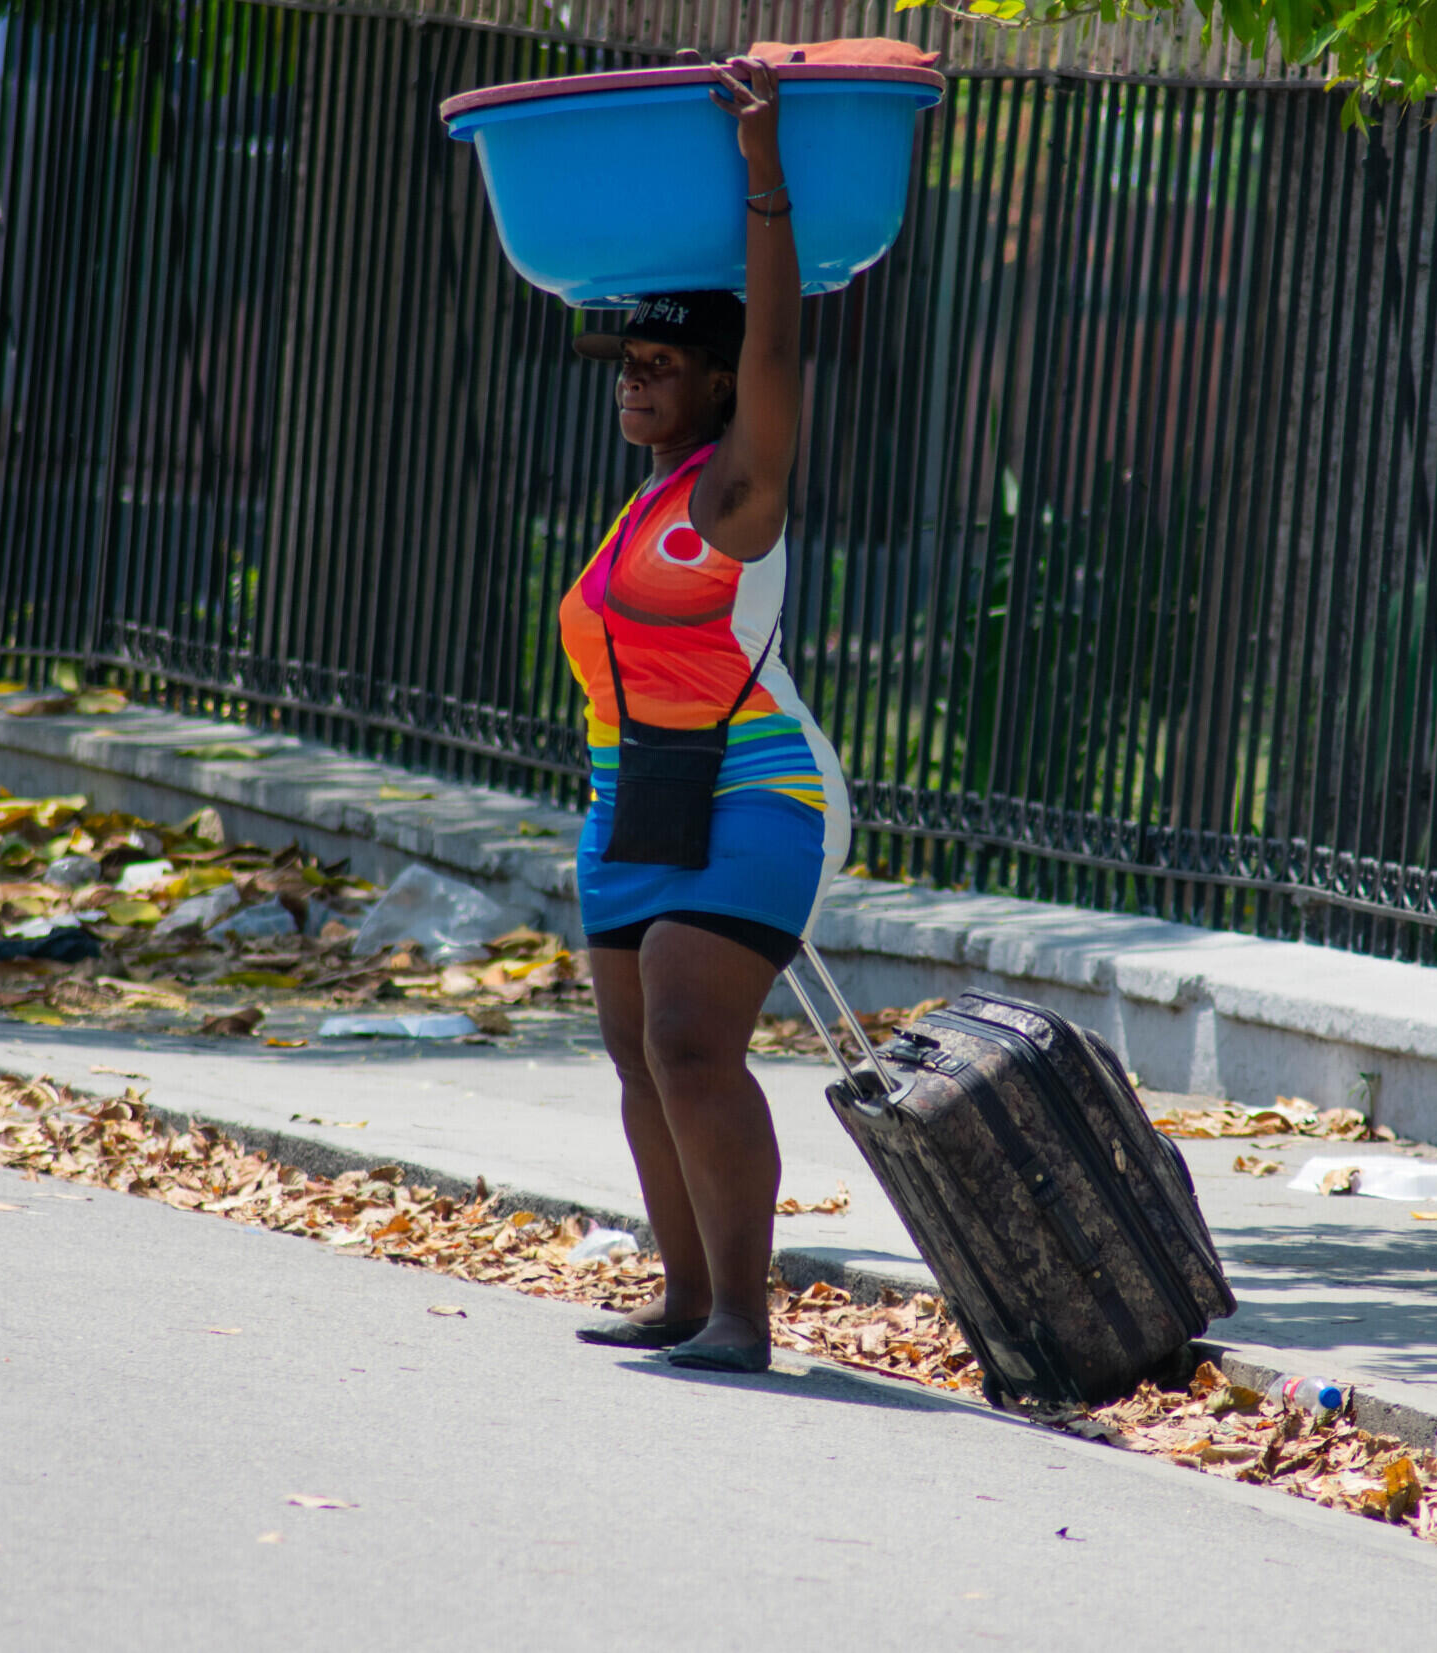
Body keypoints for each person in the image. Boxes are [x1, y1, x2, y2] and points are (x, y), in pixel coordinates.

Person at [557, 57, 848, 1374]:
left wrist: (765, 173)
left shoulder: (738, 494)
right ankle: (684, 1296)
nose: (632, 380)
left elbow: (779, 341)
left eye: (661, 363)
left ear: (723, 385)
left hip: (754, 794)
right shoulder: (645, 501)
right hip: (632, 798)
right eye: (627, 360)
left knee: (688, 1027)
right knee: (637, 1053)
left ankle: (744, 1314)